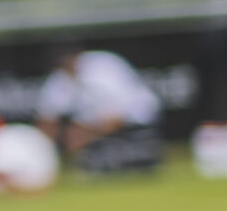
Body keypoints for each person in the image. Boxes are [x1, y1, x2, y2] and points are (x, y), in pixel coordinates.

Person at [34, 44, 162, 173]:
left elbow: (118, 117)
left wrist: (85, 134)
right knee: (90, 165)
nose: (67, 67)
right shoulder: (59, 79)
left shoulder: (104, 66)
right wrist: (43, 153)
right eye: (62, 64)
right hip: (97, 128)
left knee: (128, 163)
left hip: (136, 122)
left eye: (68, 61)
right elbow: (47, 121)